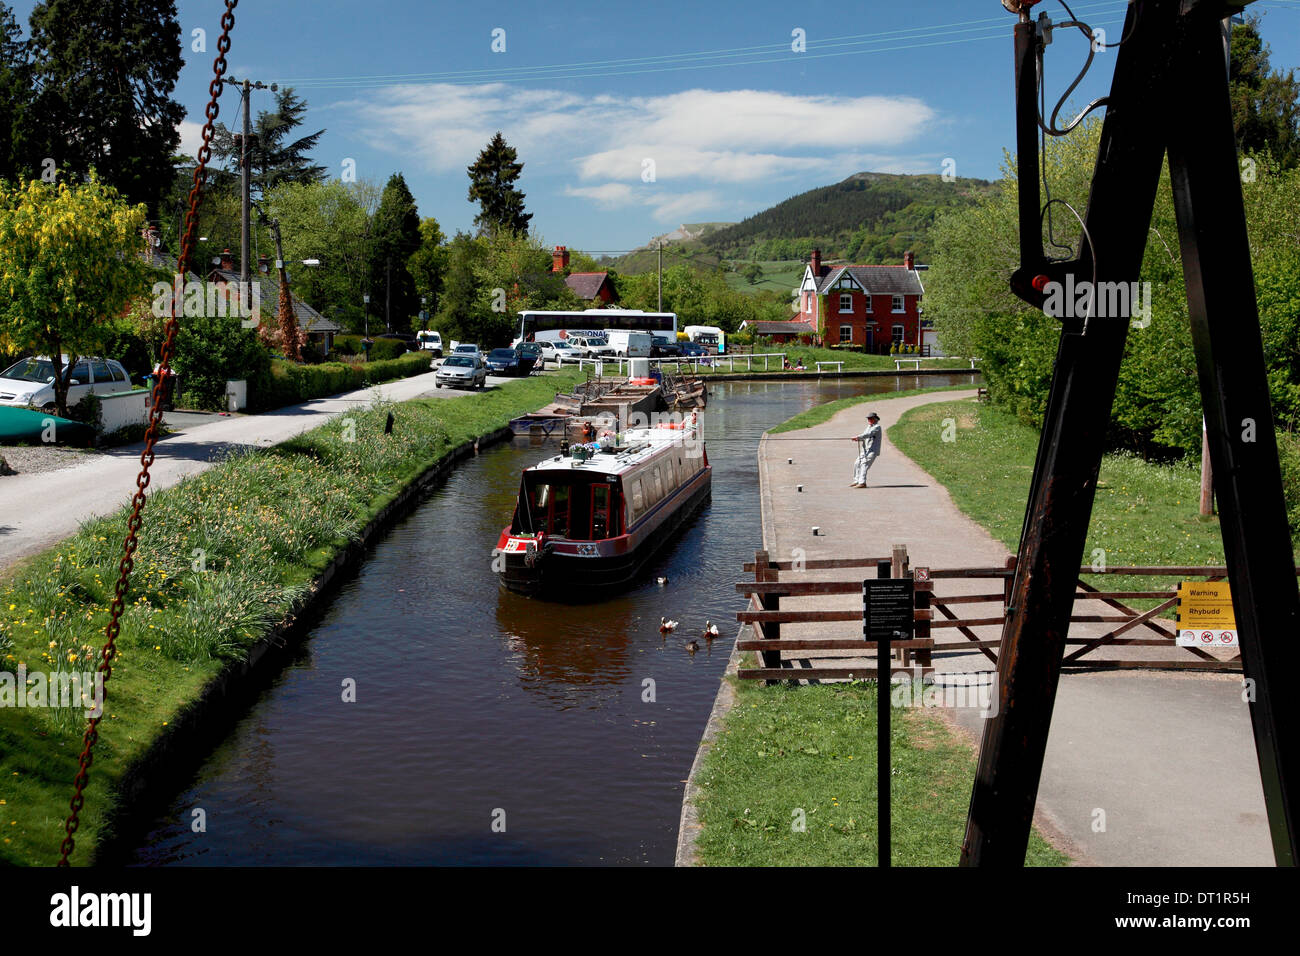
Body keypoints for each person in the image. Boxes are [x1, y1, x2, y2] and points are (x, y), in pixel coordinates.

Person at [849, 412, 882, 488]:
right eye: (868, 418)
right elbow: (864, 435)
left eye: (870, 418)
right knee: (857, 463)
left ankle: (862, 483)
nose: (869, 420)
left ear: (875, 419)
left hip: (872, 451)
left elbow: (868, 434)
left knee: (864, 464)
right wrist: (859, 439)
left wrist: (858, 437)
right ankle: (856, 481)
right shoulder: (869, 426)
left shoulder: (877, 427)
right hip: (865, 450)